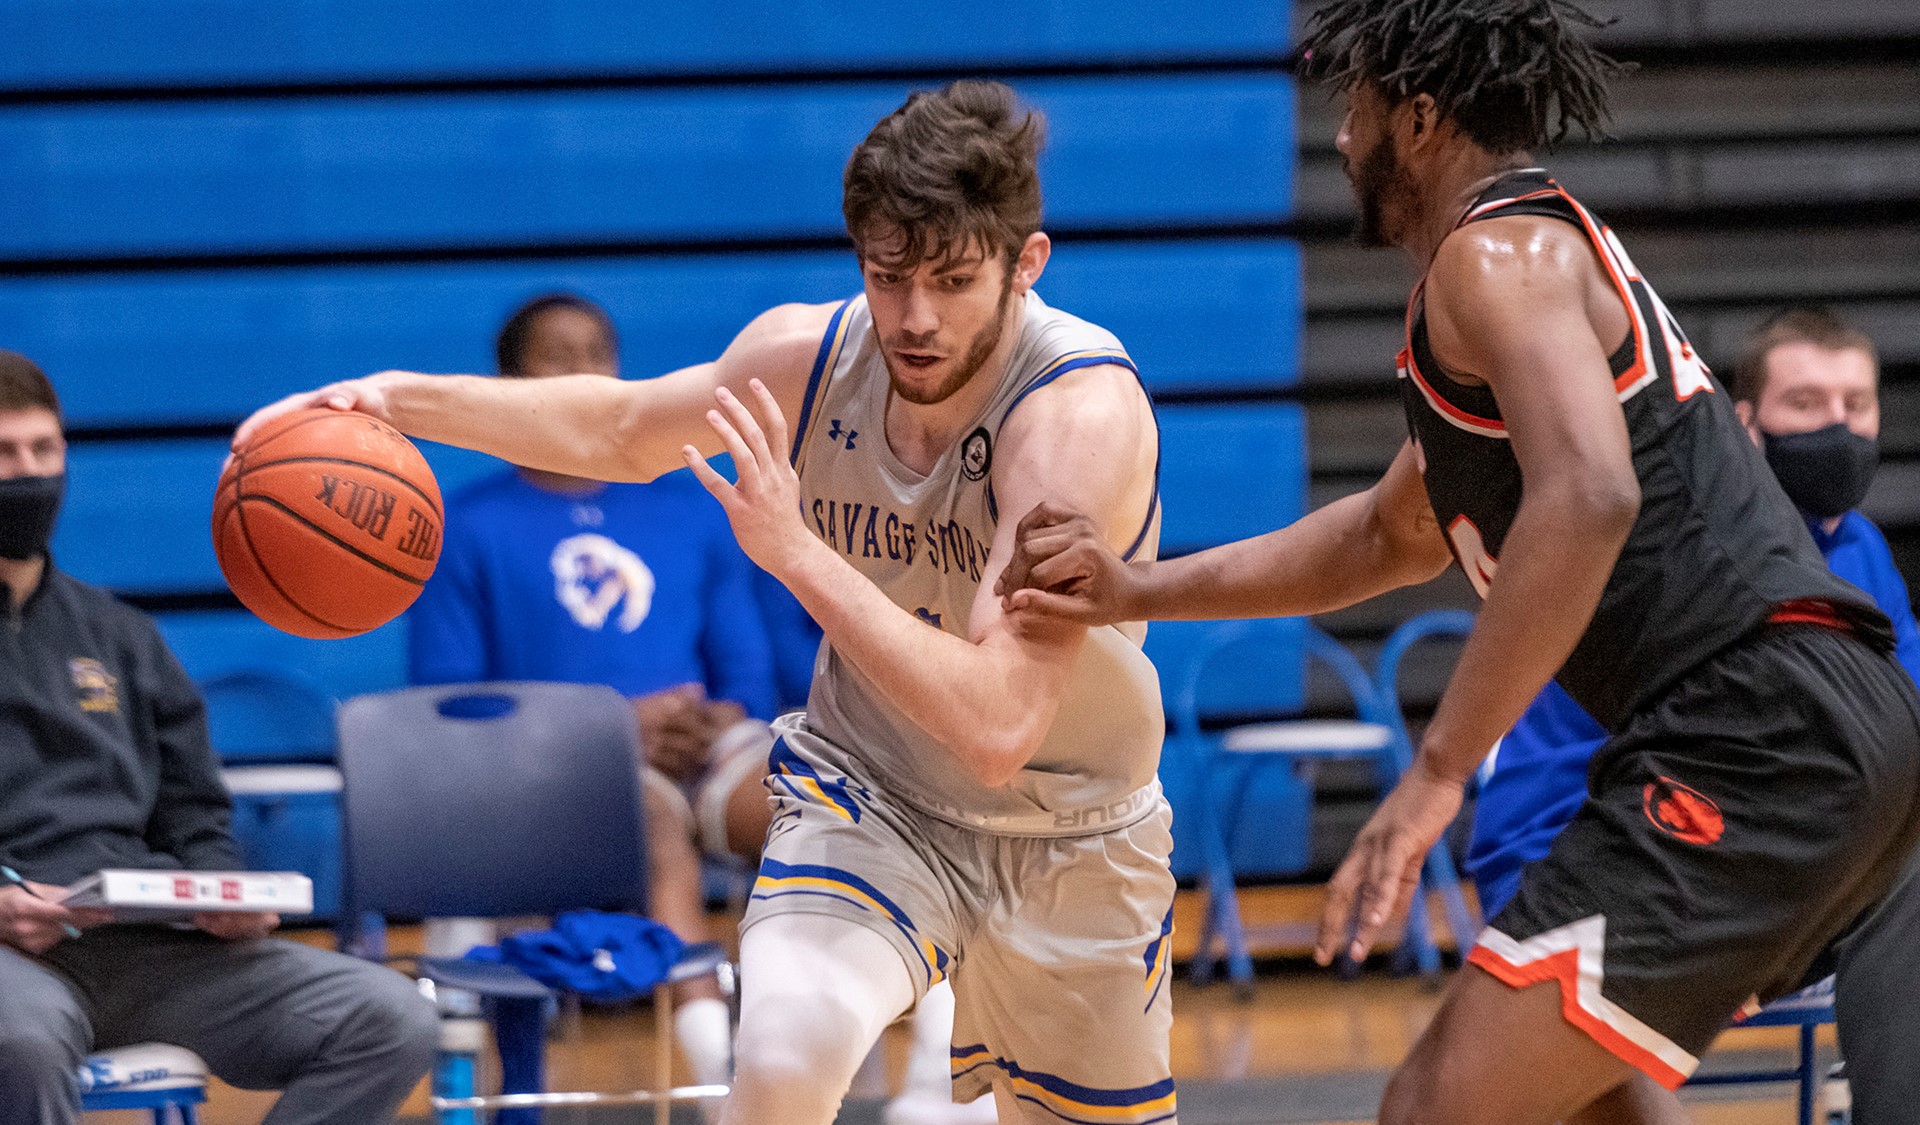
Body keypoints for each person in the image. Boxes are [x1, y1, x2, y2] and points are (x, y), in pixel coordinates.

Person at [993, 2, 1920, 1123]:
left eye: (1358, 106)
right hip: (1800, 723)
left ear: (1420, 119)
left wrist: (1435, 777)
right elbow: (1388, 534)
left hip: (1755, 728)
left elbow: (1591, 494)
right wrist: (1139, 588)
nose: (1341, 137)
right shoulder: (1517, 268)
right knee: (1585, 1102)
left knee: (1432, 1108)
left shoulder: (1497, 256)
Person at [238, 80, 1172, 1125]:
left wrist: (798, 554)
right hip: (874, 796)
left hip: (1067, 829)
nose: (913, 318)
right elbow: (616, 428)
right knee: (781, 1057)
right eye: (887, 273)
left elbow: (1000, 726)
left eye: (953, 280)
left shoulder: (1076, 417)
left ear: (1025, 261)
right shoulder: (811, 357)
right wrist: (391, 399)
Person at [1463, 305, 1920, 1121]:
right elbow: (1526, 820)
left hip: (1779, 865)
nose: (1837, 430)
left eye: (1856, 405)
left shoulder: (1859, 551)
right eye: (1808, 404)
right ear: (1741, 425)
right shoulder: (1656, 564)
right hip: (1623, 866)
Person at [0, 350, 438, 1125]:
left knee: (389, 1016)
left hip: (150, 945)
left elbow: (193, 808)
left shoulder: (121, 634)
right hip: (12, 959)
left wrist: (221, 890)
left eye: (44, 449)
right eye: (5, 454)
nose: (29, 473)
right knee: (21, 1042)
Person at [407, 292, 783, 1095]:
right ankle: (722, 1076)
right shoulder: (467, 524)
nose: (584, 370)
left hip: (701, 750)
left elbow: (746, 674)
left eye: (597, 351)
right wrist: (606, 727)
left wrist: (713, 714)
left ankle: (922, 1065)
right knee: (645, 817)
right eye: (557, 354)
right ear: (507, 387)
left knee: (812, 806)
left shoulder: (692, 508)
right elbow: (446, 703)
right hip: (553, 777)